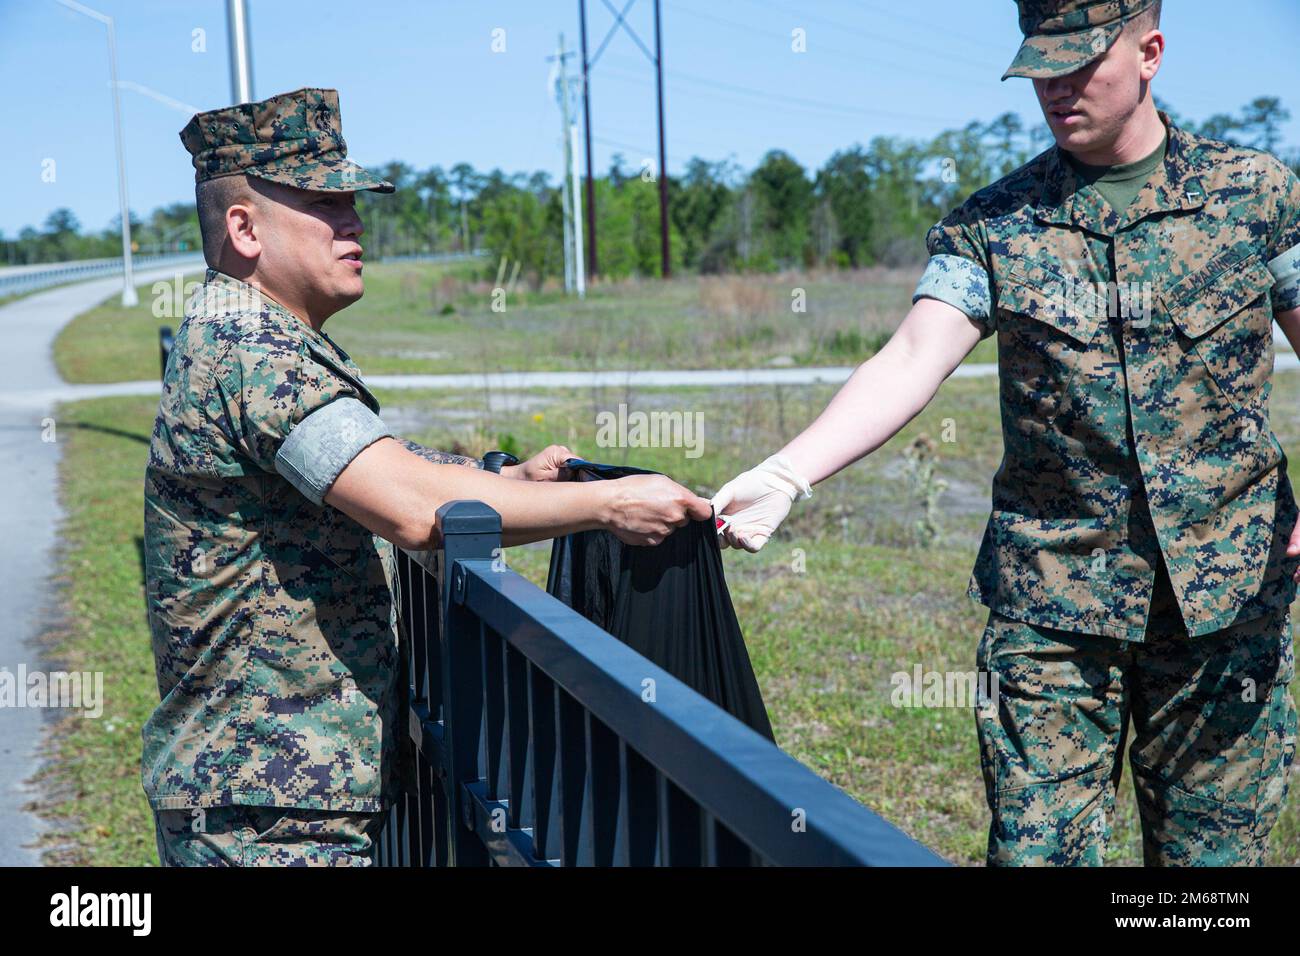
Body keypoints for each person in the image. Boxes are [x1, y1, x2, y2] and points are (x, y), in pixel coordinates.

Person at [713, 0, 1300, 865]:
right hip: (1052, 607)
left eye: (1080, 65)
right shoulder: (997, 223)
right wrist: (788, 473)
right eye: (1041, 69)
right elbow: (912, 356)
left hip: (1225, 604)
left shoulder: (1256, 197)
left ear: (1152, 54)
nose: (1056, 88)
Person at [143, 87, 711, 866]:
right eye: (323, 202)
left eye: (354, 202)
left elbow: (367, 462)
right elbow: (411, 508)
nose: (353, 223)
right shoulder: (253, 351)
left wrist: (502, 476)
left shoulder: (242, 334)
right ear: (244, 227)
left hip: (272, 786)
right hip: (267, 807)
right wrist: (608, 503)